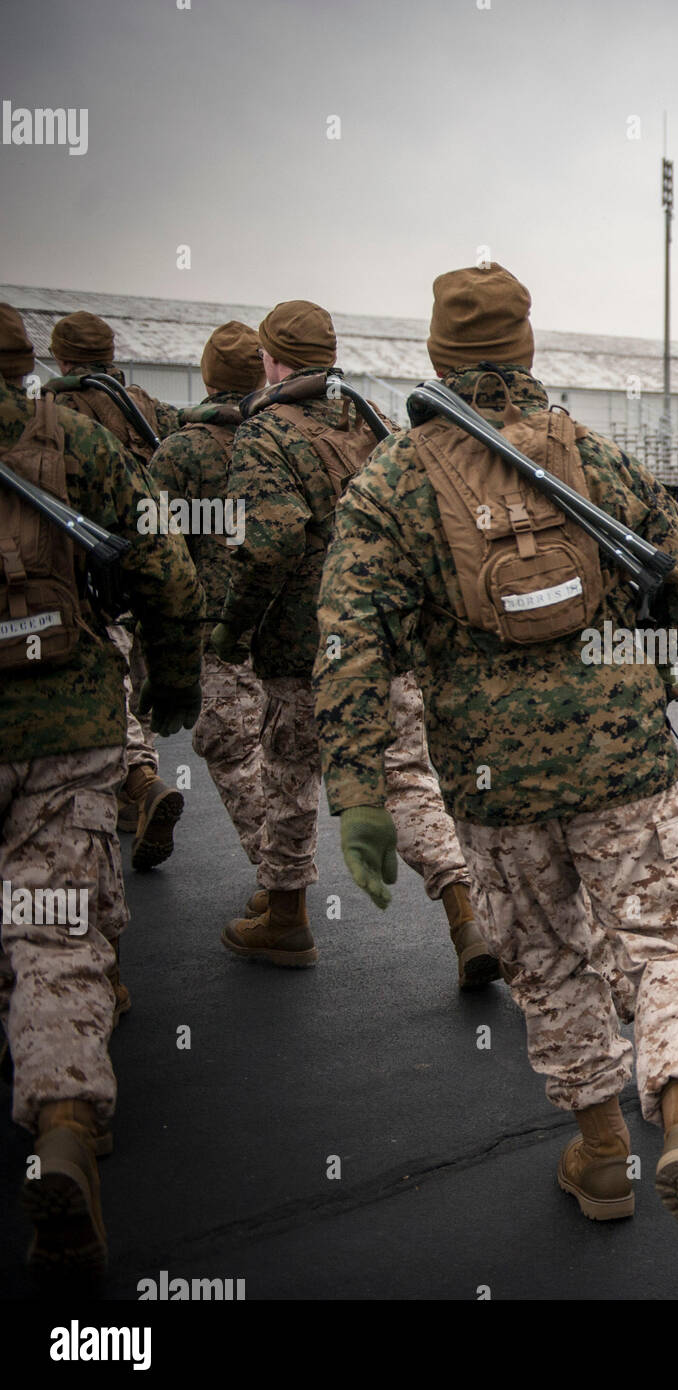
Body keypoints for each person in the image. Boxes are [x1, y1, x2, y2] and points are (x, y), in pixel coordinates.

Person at [313, 262, 678, 1292]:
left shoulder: (391, 483)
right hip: (620, 756)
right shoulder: (594, 460)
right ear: (527, 349)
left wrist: (356, 793)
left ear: (436, 356)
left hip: (490, 786)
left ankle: (603, 1152)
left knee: (549, 965)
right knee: (665, 944)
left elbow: (350, 645)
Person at [0, 303, 202, 1275]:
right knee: (54, 921)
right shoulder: (83, 436)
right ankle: (67, 1121)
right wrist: (172, 691)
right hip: (69, 715)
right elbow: (166, 569)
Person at [212, 302, 493, 982]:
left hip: (303, 649)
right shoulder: (375, 421)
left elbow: (266, 545)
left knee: (289, 779)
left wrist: (232, 631)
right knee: (405, 779)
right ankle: (467, 917)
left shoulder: (266, 434)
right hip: (383, 643)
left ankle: (285, 919)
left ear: (273, 361)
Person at [44, 310, 185, 869]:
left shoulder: (55, 414)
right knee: (141, 680)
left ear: (60, 359)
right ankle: (138, 794)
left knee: (115, 679)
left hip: (85, 575)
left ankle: (140, 781)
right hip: (149, 567)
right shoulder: (144, 406)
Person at [147, 323, 268, 876]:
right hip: (288, 627)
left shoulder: (180, 452)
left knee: (230, 746)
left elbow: (157, 557)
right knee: (282, 753)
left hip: (216, 632)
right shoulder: (282, 439)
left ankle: (280, 877)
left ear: (207, 376)